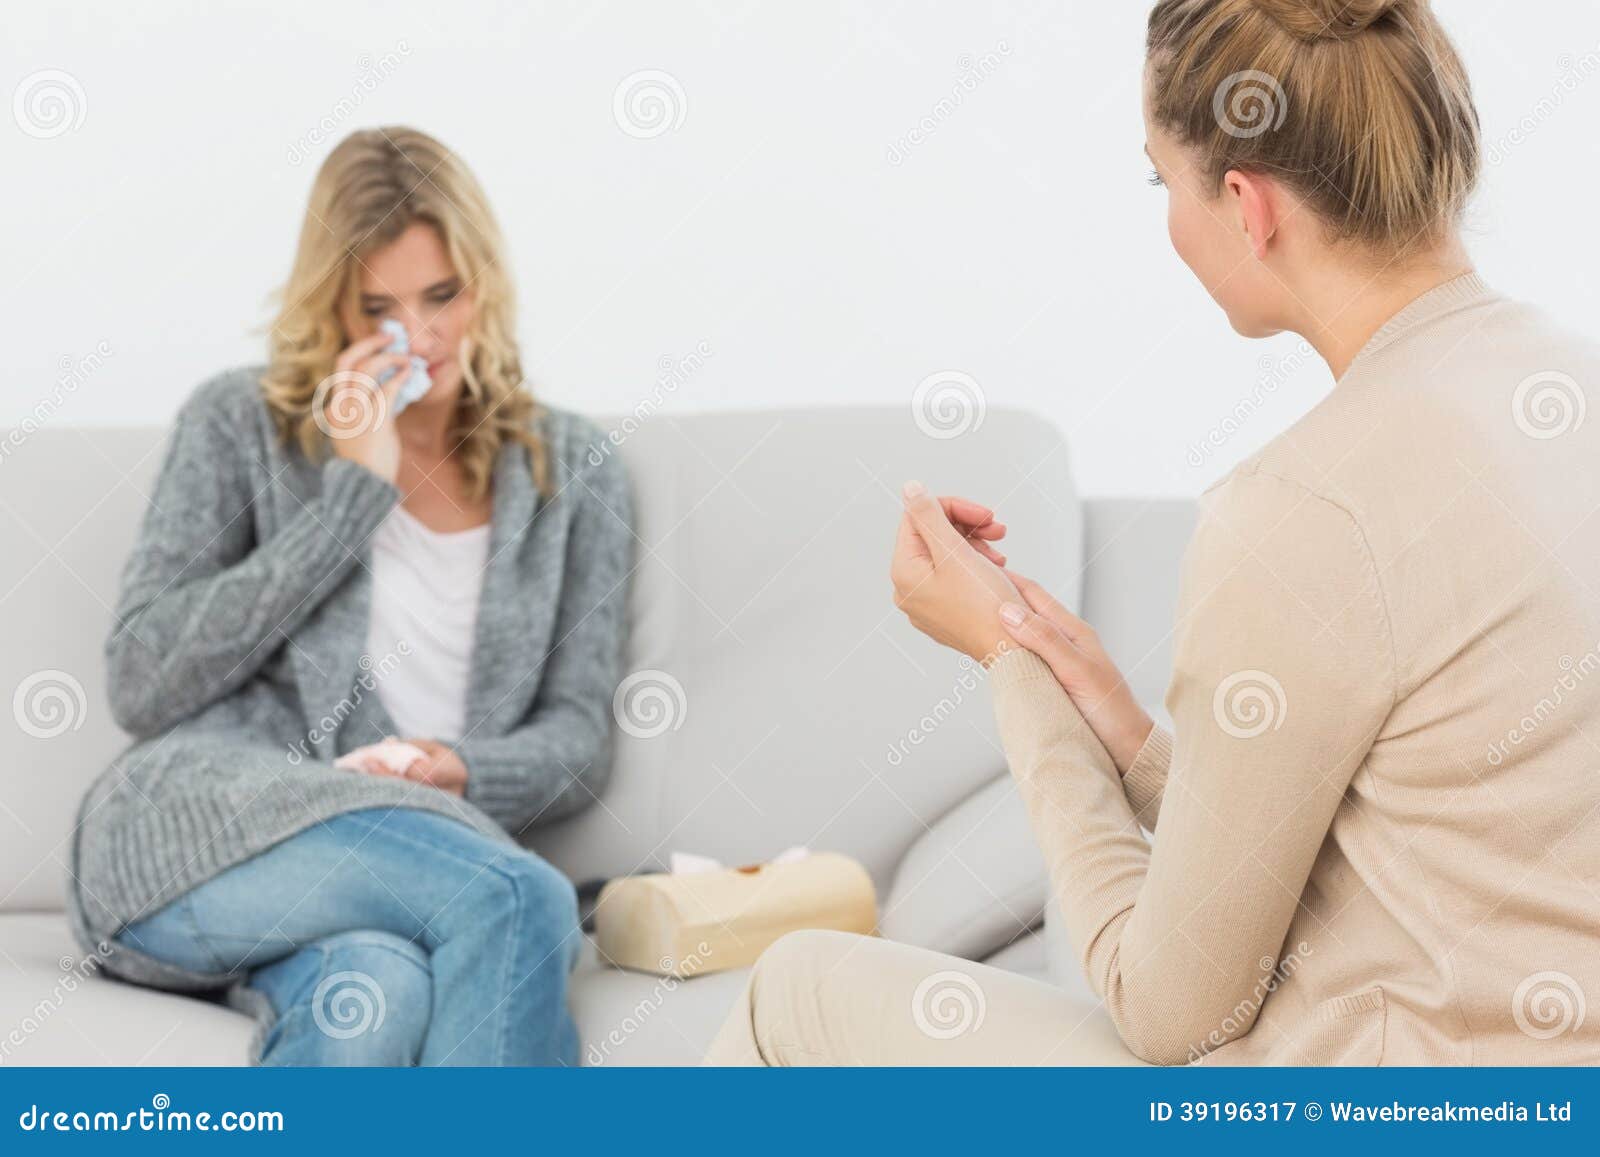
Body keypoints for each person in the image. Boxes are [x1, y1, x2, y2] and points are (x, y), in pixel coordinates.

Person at [705, 0, 1600, 1065]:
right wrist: (1126, 736)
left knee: (792, 990)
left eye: (1158, 181)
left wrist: (1008, 665)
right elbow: (1418, 835)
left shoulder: (1302, 508)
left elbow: (1168, 1010)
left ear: (1244, 204)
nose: (1167, 221)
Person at [65, 126, 634, 1066]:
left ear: (483, 279)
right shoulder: (240, 422)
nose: (420, 335)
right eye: (381, 308)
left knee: (369, 999)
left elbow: (577, 738)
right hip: (194, 832)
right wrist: (351, 498)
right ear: (332, 309)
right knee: (517, 895)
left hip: (388, 879)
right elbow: (142, 678)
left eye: (442, 294)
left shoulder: (574, 471)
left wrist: (456, 765)